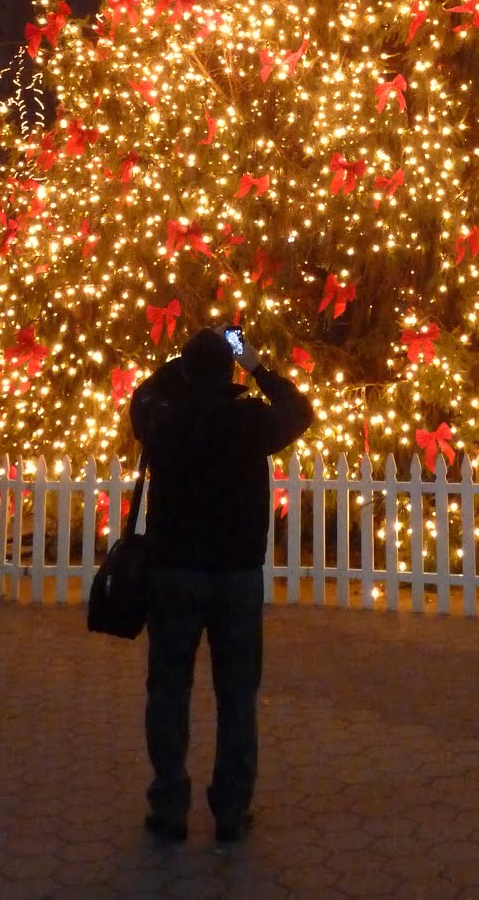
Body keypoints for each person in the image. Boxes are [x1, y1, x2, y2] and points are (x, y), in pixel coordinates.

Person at [130, 325, 314, 846]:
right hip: (235, 575)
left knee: (168, 690)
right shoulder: (250, 418)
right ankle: (231, 808)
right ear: (229, 372)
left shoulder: (166, 419)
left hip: (175, 573)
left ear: (185, 371)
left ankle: (169, 805)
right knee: (236, 696)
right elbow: (300, 410)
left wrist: (174, 369)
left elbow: (142, 396)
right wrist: (254, 365)